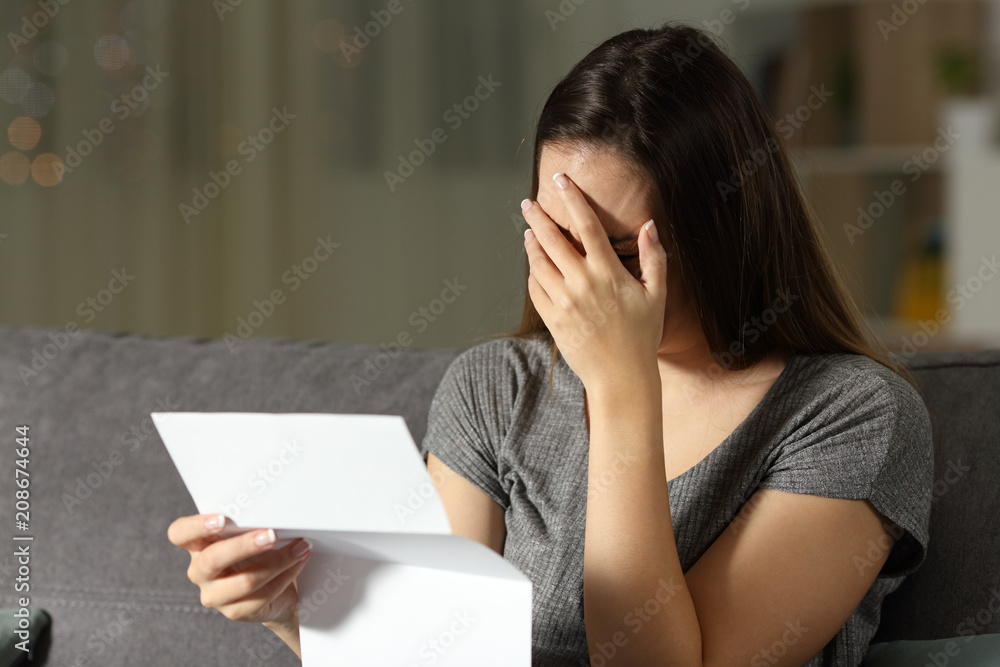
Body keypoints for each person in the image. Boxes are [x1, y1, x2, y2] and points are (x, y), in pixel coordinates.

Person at [168, 23, 933, 667]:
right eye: (560, 240)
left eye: (619, 253)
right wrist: (290, 608)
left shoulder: (852, 415)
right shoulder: (497, 387)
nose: (583, 282)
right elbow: (429, 648)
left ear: (725, 230)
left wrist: (622, 387)